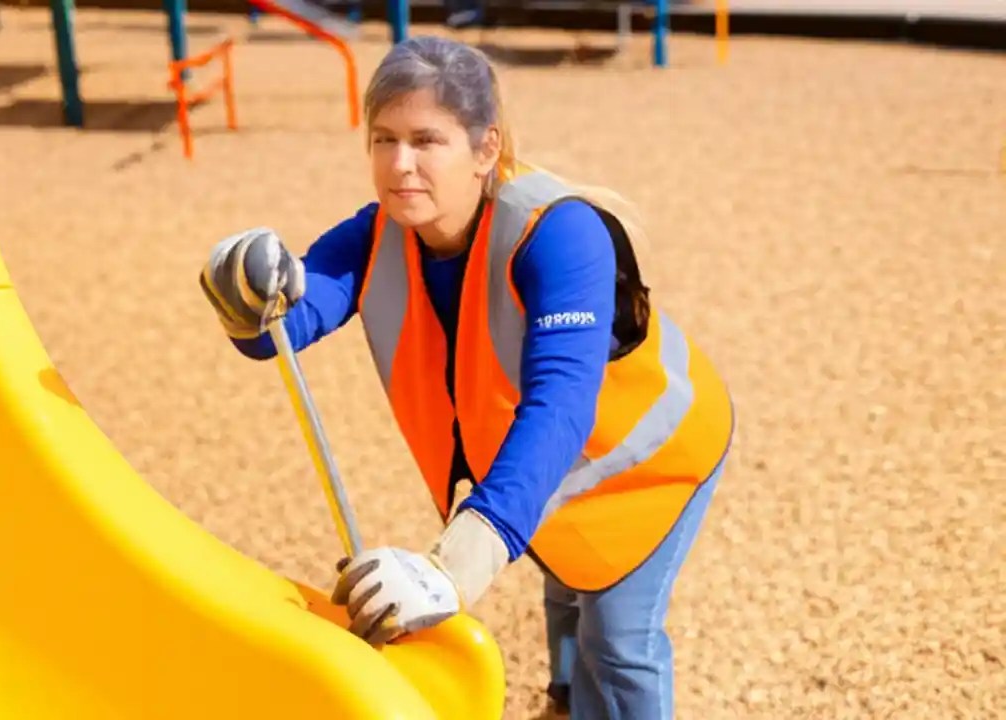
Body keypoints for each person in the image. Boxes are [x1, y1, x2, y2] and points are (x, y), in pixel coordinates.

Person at [198, 35, 734, 720]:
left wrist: (452, 568)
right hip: (551, 478)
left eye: (427, 140)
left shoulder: (562, 236)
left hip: (650, 464)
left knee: (619, 638)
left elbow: (560, 410)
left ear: (486, 149)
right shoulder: (378, 234)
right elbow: (284, 323)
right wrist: (243, 293)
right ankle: (566, 703)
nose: (399, 166)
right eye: (383, 139)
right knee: (564, 579)